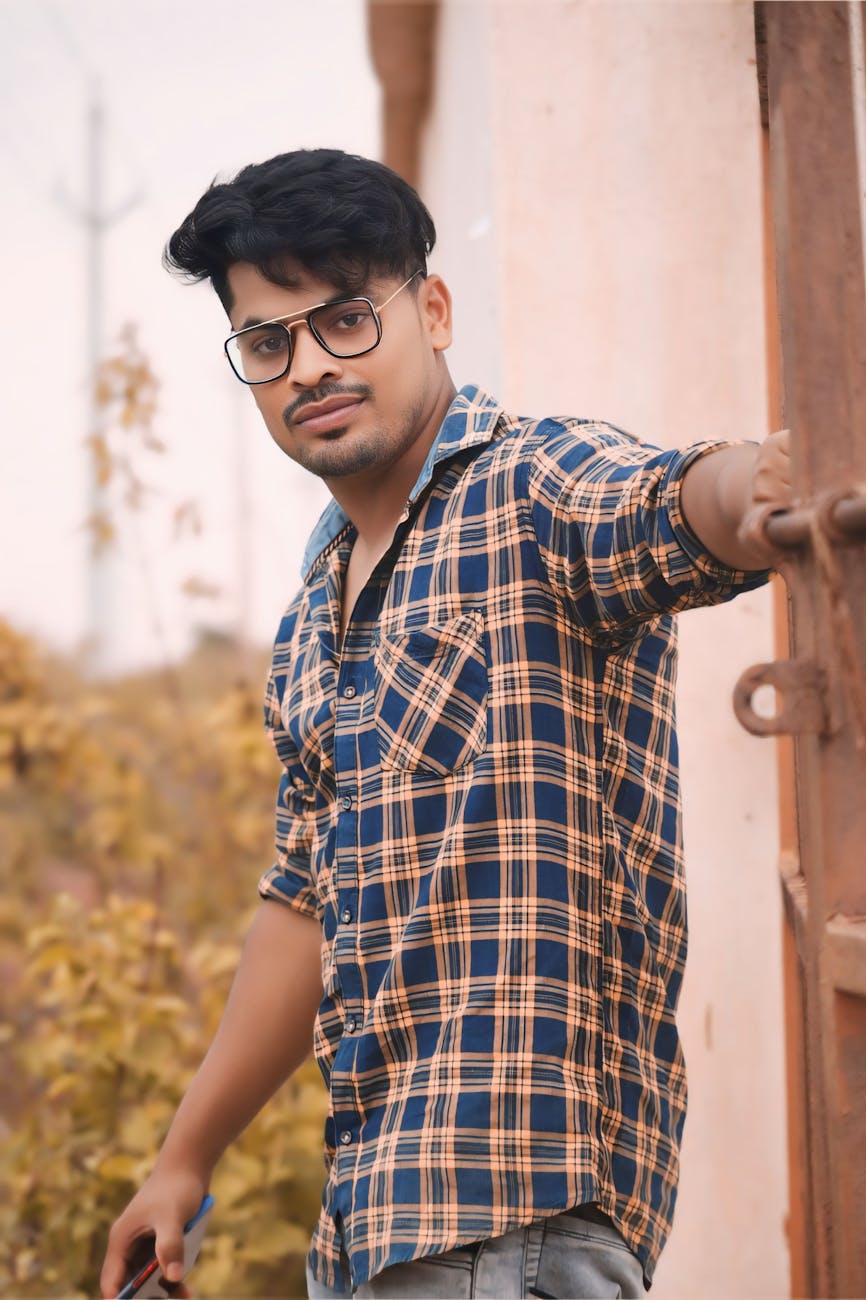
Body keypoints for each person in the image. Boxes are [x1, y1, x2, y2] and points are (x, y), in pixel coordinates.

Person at [100, 148, 791, 1300]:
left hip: (515, 1220)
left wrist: (757, 486)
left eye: (344, 319)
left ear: (430, 308)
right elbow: (300, 902)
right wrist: (182, 1158)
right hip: (376, 1225)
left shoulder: (527, 487)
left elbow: (671, 499)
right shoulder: (317, 607)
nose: (309, 364)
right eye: (269, 342)